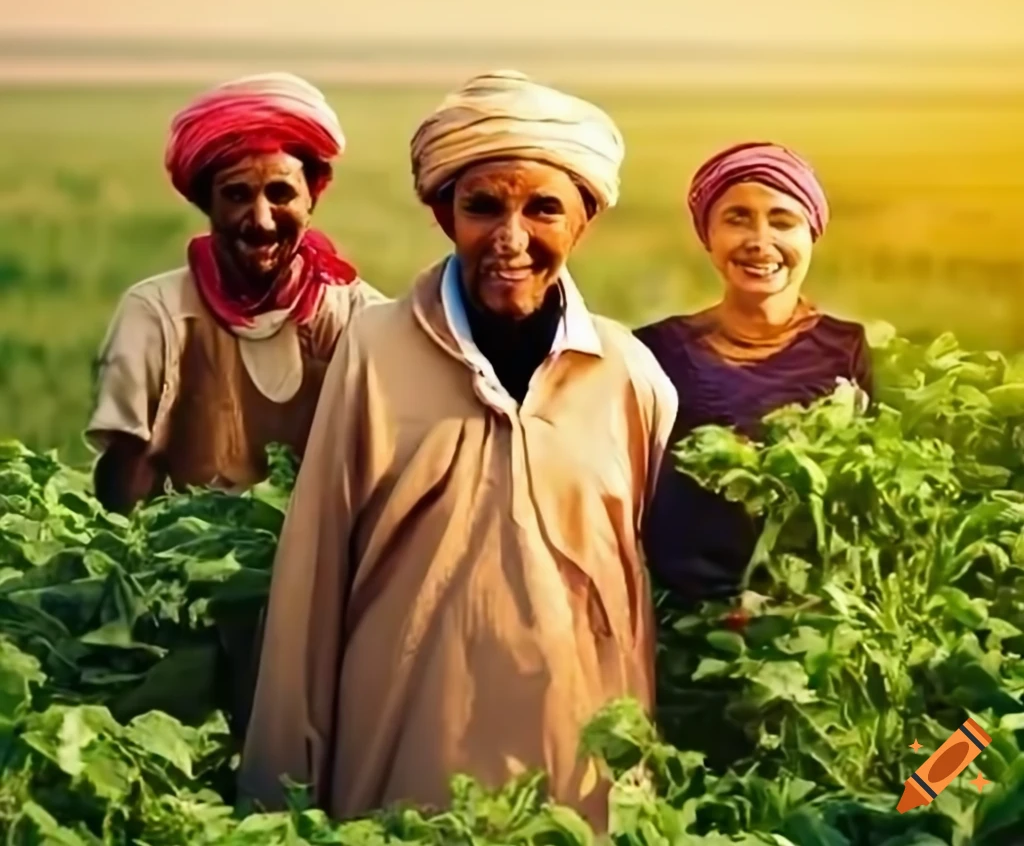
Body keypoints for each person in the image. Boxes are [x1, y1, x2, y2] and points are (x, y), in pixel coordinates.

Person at [238, 70, 678, 829]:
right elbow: (312, 578)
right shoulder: (374, 350)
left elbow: (649, 593)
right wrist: (279, 799)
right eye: (483, 207)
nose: (510, 239)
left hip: (580, 779)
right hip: (399, 762)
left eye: (543, 208)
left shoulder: (628, 373)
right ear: (445, 214)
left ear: (585, 221)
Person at [85, 72, 386, 511]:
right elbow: (123, 479)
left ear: (311, 200)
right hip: (183, 561)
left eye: (281, 194)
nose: (261, 219)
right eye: (237, 194)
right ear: (207, 203)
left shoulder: (359, 314)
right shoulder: (156, 314)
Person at [634, 141, 872, 607]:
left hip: (810, 620)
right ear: (708, 236)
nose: (760, 242)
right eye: (737, 219)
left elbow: (861, 498)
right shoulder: (654, 350)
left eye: (783, 221)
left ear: (811, 235)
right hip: (680, 620)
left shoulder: (846, 348)